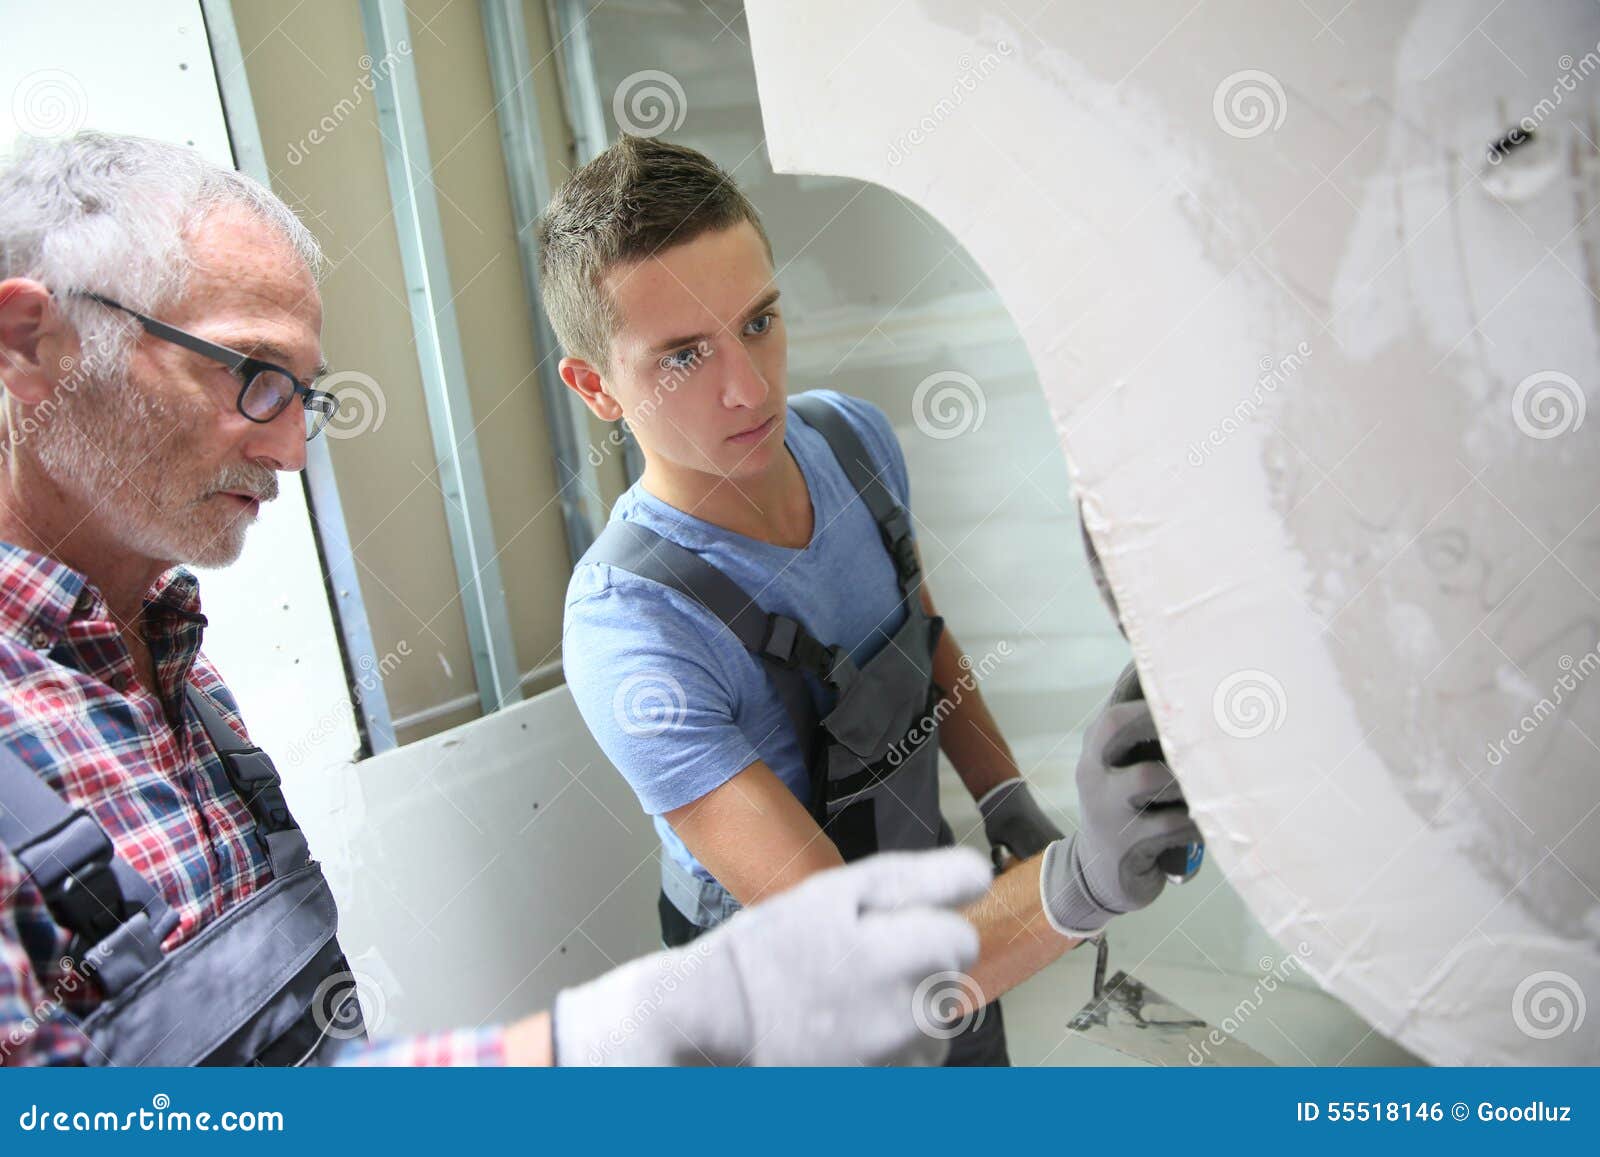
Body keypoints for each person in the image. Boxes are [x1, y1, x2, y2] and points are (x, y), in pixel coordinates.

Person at [0, 130, 992, 1067]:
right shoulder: (632, 615)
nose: (293, 448)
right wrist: (574, 1047)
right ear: (28, 342)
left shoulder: (177, 670)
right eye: (251, 374)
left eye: (308, 393)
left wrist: (1007, 802)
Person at [548, 135, 1203, 1065]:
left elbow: (918, 629)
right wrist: (1080, 882)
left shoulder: (849, 441)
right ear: (595, 388)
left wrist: (1003, 789)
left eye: (760, 322)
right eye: (684, 356)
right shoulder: (631, 626)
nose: (748, 386)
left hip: (942, 913)